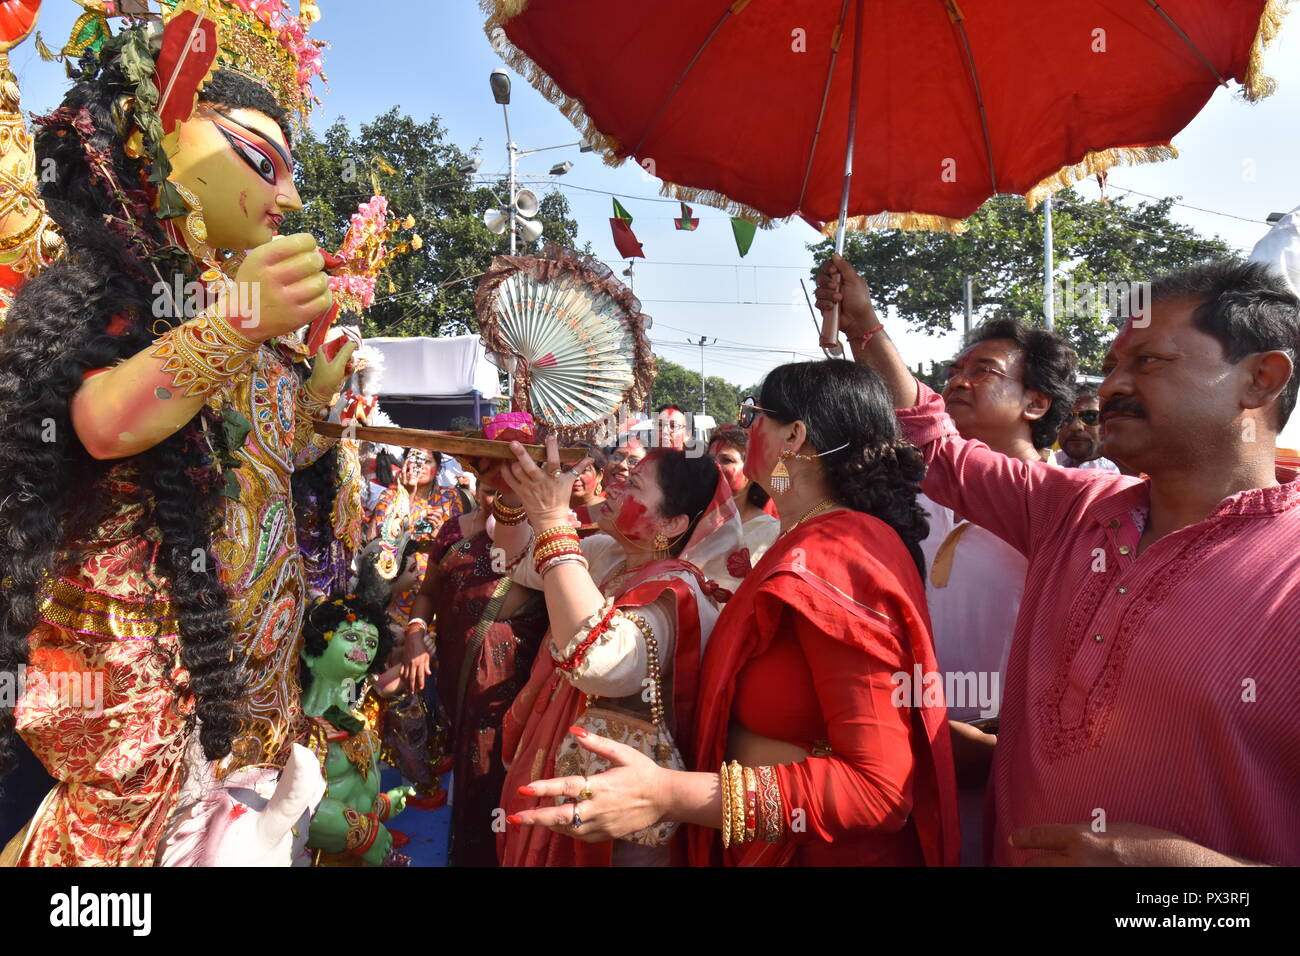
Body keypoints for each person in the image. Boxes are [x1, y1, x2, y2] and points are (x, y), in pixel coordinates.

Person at [0, 7, 344, 866]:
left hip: (226, 680)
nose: (291, 198)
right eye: (263, 162)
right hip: (121, 683)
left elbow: (278, 456)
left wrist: (319, 398)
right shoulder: (107, 280)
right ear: (164, 128)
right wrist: (234, 324)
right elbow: (104, 422)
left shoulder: (216, 300)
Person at [818, 254, 1300, 866]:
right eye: (1111, 366)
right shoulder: (1073, 509)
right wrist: (863, 322)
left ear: (1262, 378)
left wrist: (1188, 879)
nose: (1112, 388)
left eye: (1148, 361)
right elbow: (933, 443)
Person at [507, 361, 960, 867]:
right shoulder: (809, 540)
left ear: (794, 435)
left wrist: (666, 794)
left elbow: (877, 790)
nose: (745, 430)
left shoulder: (839, 552)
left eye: (754, 415)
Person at [497, 437, 744, 865]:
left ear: (672, 524)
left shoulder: (677, 593)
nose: (614, 488)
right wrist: (509, 494)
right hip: (564, 771)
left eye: (635, 486)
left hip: (620, 815)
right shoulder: (605, 554)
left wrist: (554, 520)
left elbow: (597, 664)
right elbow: (511, 561)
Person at [913, 317, 1076, 864]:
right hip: (911, 748)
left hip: (1018, 767)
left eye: (983, 371)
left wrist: (995, 744)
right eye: (954, 371)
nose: (957, 382)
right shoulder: (913, 499)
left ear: (1035, 404)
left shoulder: (1071, 510)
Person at [404, 449, 548, 866]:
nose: (495, 503)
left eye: (507, 494)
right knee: (463, 768)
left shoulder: (541, 538)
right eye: (487, 492)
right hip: (455, 671)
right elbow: (428, 592)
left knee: (497, 774)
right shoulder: (454, 531)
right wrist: (415, 633)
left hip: (510, 684)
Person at [369, 448, 466, 624]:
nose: (419, 466)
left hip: (434, 582)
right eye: (414, 460)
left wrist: (438, 535)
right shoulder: (389, 496)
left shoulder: (449, 496)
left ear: (438, 468)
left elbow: (459, 542)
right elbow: (386, 538)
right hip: (396, 582)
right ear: (404, 464)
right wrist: (427, 530)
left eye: (427, 461)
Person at [708, 425, 780, 564]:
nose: (715, 466)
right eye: (711, 460)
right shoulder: (694, 522)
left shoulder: (771, 532)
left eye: (727, 460)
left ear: (752, 471)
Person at [1055, 385, 1122, 472]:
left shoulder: (1121, 474)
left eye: (1090, 416)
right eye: (1066, 417)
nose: (1075, 426)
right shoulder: (1048, 463)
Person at [567, 439, 608, 528]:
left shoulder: (611, 510)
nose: (575, 477)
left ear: (599, 476)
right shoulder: (551, 509)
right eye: (568, 470)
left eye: (584, 470)